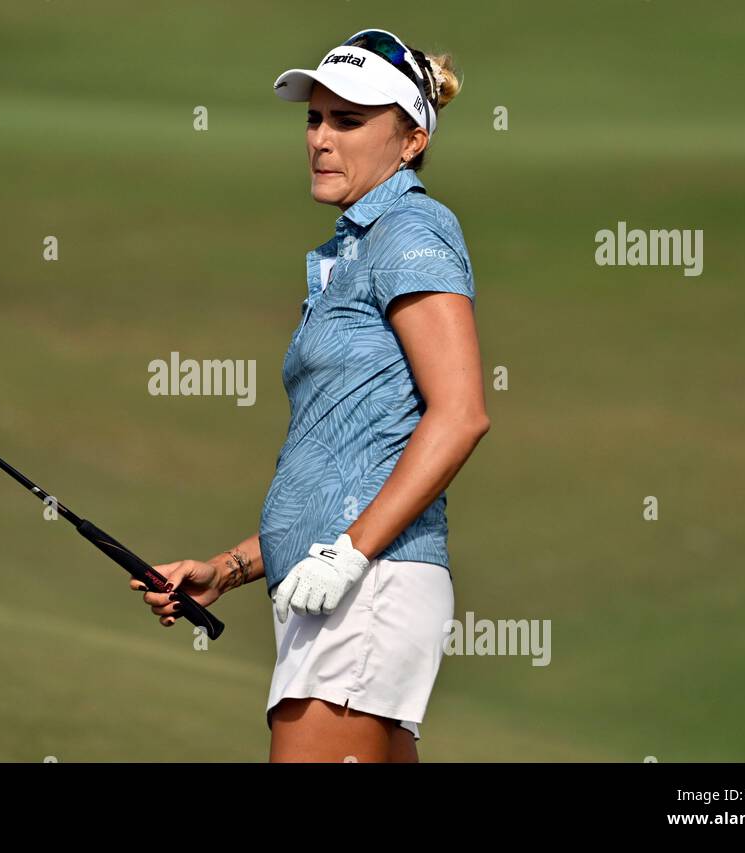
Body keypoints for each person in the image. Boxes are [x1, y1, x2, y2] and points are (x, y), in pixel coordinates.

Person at [133, 28, 489, 763]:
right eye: (314, 118)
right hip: (339, 588)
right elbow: (343, 464)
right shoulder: (350, 248)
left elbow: (461, 414)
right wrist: (226, 567)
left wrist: (352, 554)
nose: (321, 139)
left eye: (349, 121)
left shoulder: (411, 229)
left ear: (412, 137)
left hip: (370, 587)